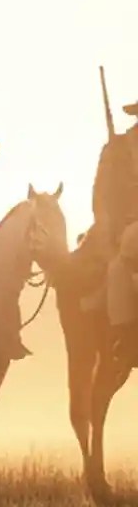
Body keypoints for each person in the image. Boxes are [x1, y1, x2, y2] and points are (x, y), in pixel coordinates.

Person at [101, 101, 138, 362]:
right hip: (128, 222)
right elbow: (102, 192)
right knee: (118, 268)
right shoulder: (118, 148)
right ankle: (127, 336)